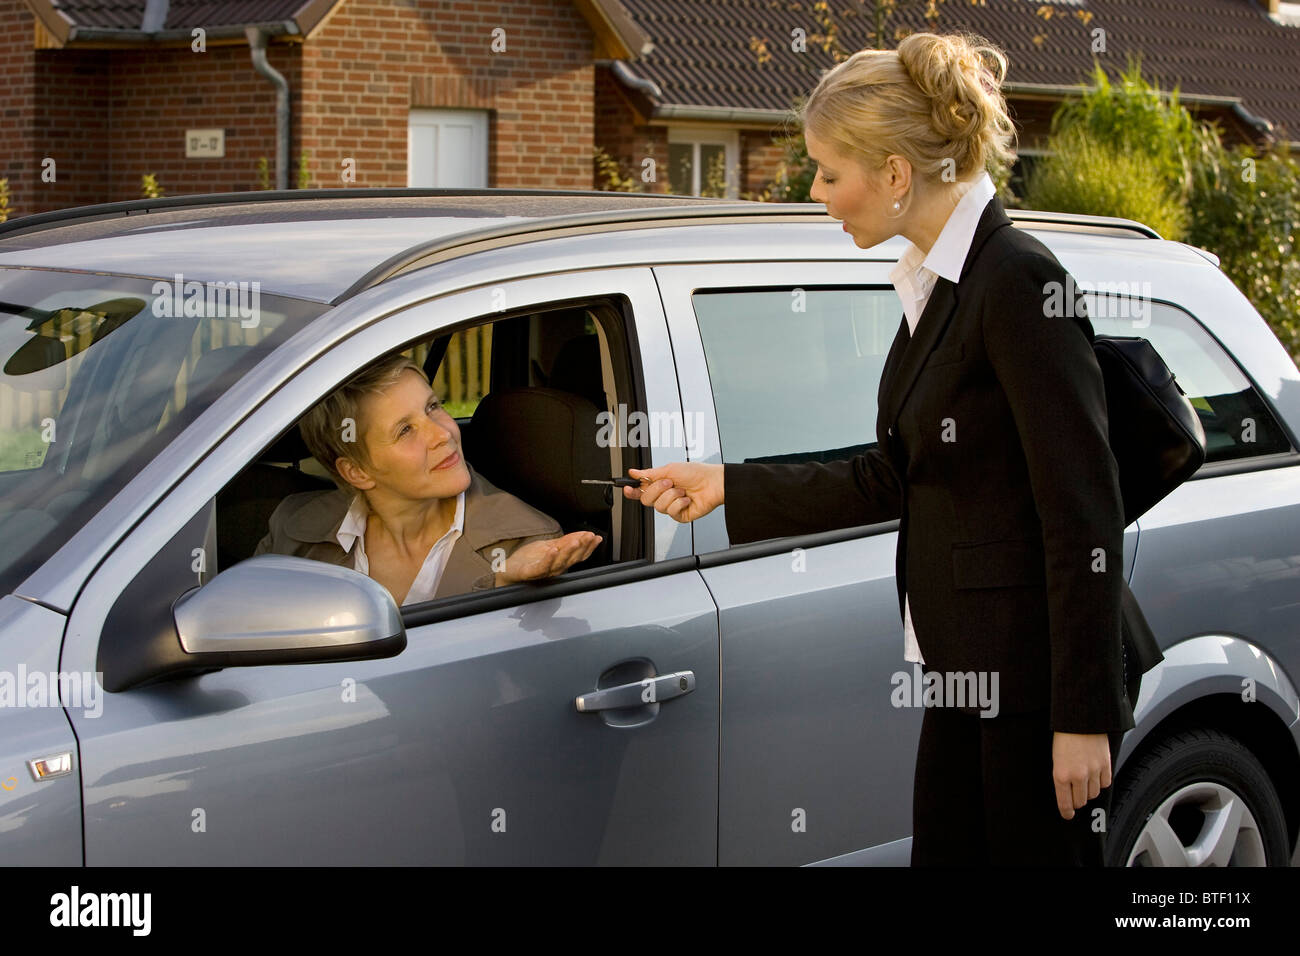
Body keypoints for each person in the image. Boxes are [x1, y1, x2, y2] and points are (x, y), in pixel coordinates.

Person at [622, 32, 1158, 865]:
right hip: (963, 667)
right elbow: (898, 476)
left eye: (830, 172)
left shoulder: (1013, 279)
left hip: (1028, 690)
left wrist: (1080, 716)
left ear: (897, 174)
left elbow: (1082, 509)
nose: (817, 191)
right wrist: (728, 484)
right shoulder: (937, 281)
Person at [254, 353, 600, 604]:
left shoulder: (527, 542)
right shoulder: (291, 529)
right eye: (405, 430)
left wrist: (500, 582)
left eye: (433, 406)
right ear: (356, 471)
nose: (442, 434)